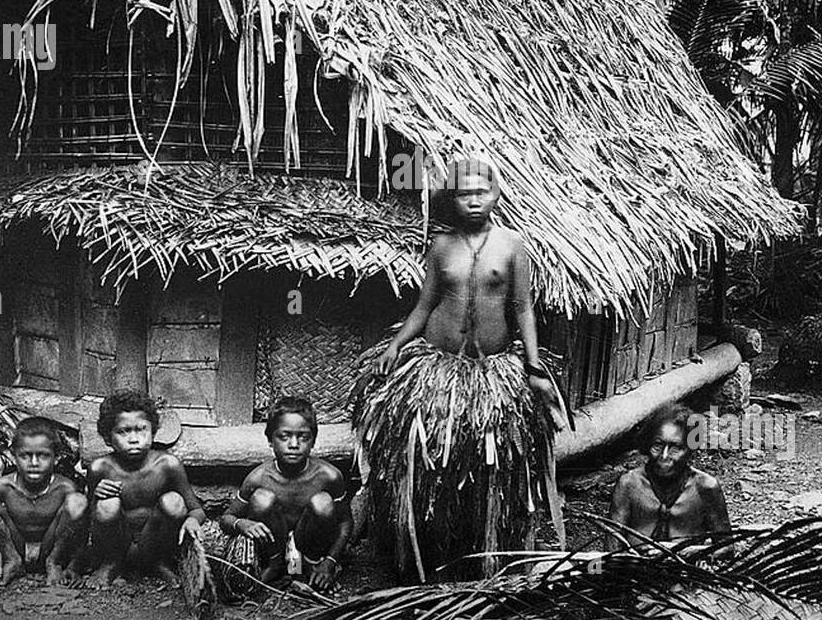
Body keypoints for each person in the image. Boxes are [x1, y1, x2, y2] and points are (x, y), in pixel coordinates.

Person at [350, 157, 568, 582]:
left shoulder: (512, 245)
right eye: (464, 194)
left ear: (496, 195)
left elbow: (523, 307)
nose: (472, 201)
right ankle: (424, 558)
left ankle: (485, 556)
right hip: (438, 368)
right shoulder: (441, 246)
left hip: (493, 371)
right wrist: (396, 346)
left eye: (480, 193)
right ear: (453, 198)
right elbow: (425, 305)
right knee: (431, 468)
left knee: (491, 469)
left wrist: (535, 365)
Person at [219, 396, 351, 592]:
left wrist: (329, 562)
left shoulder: (329, 476)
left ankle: (309, 564)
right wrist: (242, 524)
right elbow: (226, 519)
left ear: (313, 441)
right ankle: (276, 564)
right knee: (261, 499)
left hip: (310, 545)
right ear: (270, 440)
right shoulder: (259, 477)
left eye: (303, 437)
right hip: (273, 545)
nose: (294, 444)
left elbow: (345, 522)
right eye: (284, 436)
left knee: (322, 502)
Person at [83, 390, 205, 588]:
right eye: (123, 431)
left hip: (154, 542)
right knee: (107, 504)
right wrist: (96, 496)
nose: (134, 438)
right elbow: (90, 517)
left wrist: (192, 520)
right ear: (107, 438)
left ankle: (159, 563)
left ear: (153, 432)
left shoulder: (167, 465)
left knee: (174, 501)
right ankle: (111, 564)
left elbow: (196, 510)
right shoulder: (100, 468)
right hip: (118, 544)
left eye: (141, 430)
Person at [0, 417, 88, 586]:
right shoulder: (3, 486)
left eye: (43, 456)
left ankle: (54, 564)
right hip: (14, 548)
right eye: (25, 456)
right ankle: (12, 562)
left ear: (56, 458)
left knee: (78, 502)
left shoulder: (65, 488)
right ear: (14, 456)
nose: (34, 463)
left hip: (50, 550)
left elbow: (81, 530)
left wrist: (74, 567)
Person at [609, 403, 731, 546]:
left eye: (676, 448)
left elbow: (726, 547)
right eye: (657, 446)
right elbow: (611, 548)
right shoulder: (629, 485)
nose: (664, 456)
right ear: (648, 445)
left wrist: (688, 552)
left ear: (690, 450)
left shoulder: (705, 487)